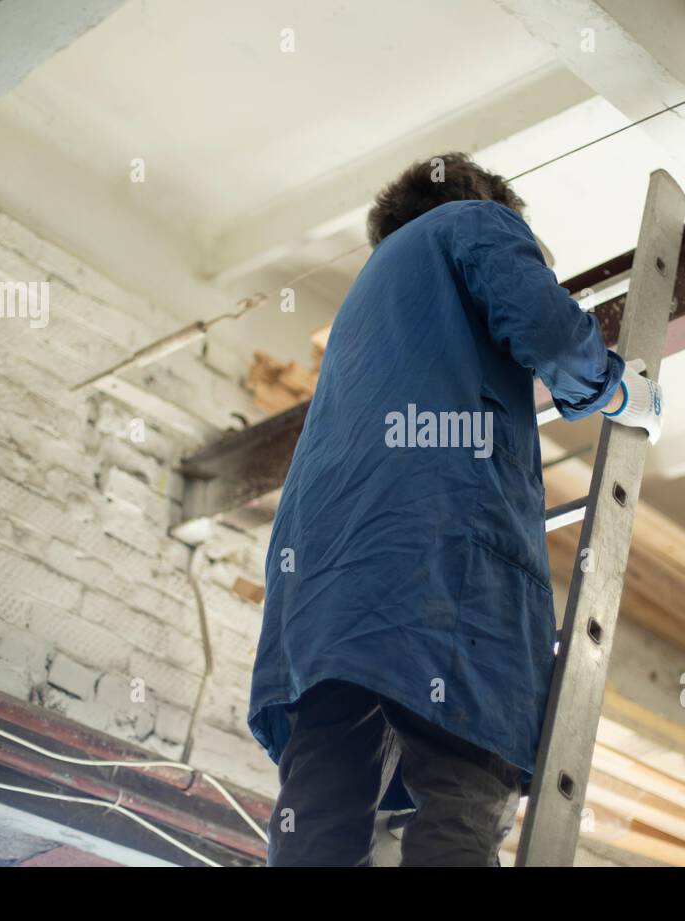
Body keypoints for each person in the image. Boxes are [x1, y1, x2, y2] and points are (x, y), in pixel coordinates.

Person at [247, 153, 662, 866]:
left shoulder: (362, 309)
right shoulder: (473, 222)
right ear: (487, 201)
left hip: (321, 596)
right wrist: (624, 395)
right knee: (467, 777)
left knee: (322, 800)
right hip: (437, 559)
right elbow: (552, 333)